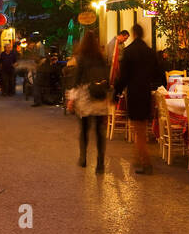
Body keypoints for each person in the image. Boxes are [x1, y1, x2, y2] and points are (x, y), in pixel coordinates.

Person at [114, 22, 165, 173]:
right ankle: (138, 157)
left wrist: (116, 92)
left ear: (134, 34)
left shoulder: (129, 52)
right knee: (141, 128)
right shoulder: (150, 52)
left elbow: (123, 76)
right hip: (146, 92)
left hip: (134, 93)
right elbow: (158, 73)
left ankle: (146, 163)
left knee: (140, 130)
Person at [68, 31, 110, 173]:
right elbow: (107, 77)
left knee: (84, 129)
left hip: (85, 95)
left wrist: (71, 98)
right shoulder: (101, 57)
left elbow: (77, 79)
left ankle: (83, 158)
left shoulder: (81, 58)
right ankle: (100, 163)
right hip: (98, 95)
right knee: (99, 130)